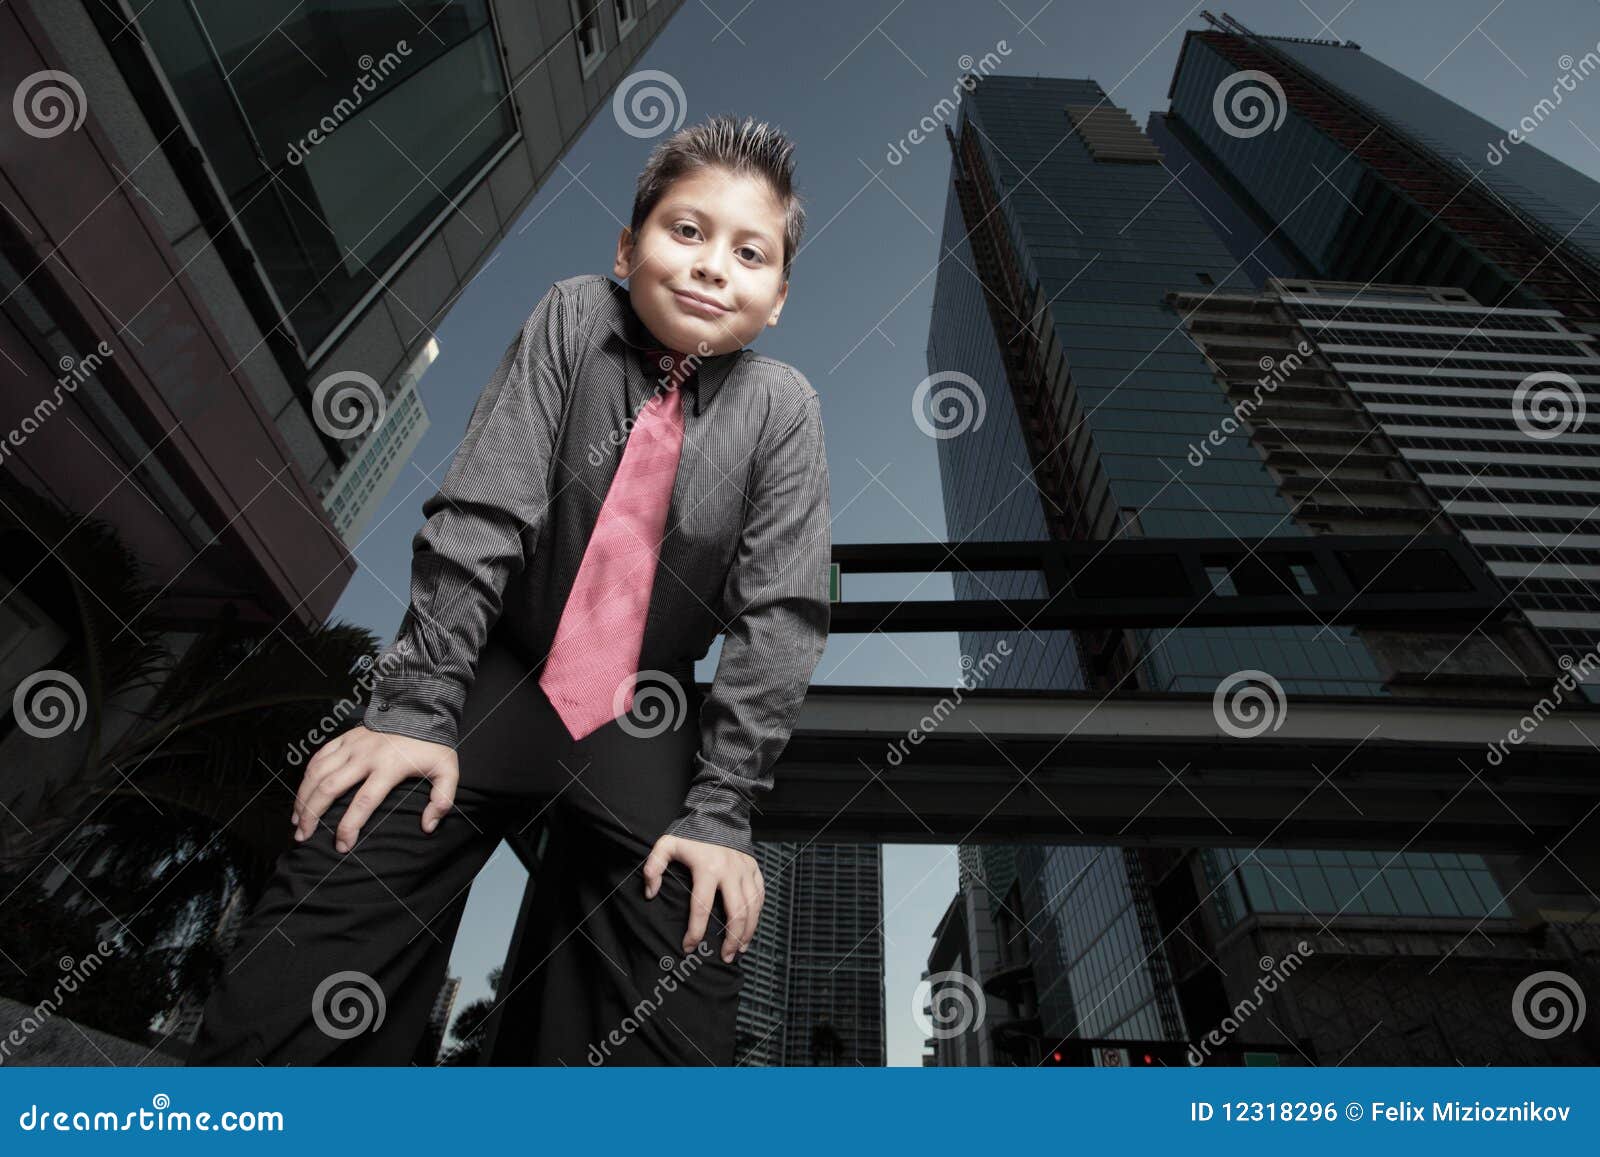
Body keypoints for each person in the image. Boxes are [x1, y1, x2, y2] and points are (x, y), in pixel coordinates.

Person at [186, 114, 831, 1066]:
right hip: (496, 670)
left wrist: (722, 811)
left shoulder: (783, 409)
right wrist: (411, 709)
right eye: (684, 232)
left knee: (684, 952)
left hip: (639, 710)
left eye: (749, 252)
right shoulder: (576, 316)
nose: (709, 266)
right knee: (345, 866)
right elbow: (485, 511)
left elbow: (781, 616)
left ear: (776, 295)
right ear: (629, 246)